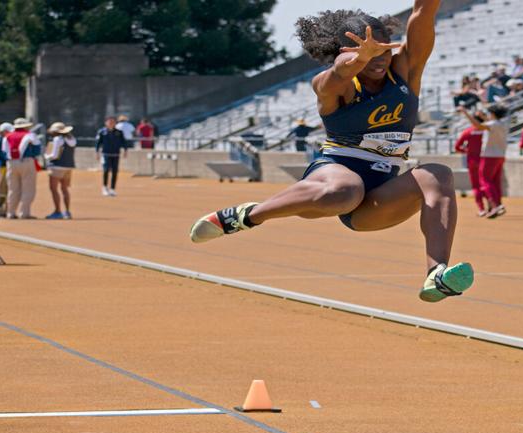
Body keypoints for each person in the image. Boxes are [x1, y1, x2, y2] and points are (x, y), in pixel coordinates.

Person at [190, 3, 473, 304]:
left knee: (438, 174)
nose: (378, 60)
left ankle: (437, 274)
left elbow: (423, 13)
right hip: (337, 170)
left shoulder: (404, 71)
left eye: (383, 51)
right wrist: (356, 59)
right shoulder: (331, 84)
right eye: (367, 53)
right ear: (343, 53)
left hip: (379, 195)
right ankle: (248, 215)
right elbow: (338, 73)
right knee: (345, 190)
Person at [461, 103, 508, 218]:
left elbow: (478, 125)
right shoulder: (503, 123)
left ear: (492, 114)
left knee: (485, 180)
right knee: (495, 181)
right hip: (500, 155)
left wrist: (465, 112)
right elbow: (489, 123)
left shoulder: (492, 124)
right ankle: (499, 204)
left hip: (489, 156)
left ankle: (495, 205)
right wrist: (482, 116)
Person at [3, 118, 39, 218]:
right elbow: (37, 150)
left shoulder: (7, 136)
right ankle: (24, 213)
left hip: (11, 163)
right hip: (26, 161)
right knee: (28, 188)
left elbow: (4, 151)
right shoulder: (30, 135)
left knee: (13, 189)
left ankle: (10, 212)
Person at [43, 123, 76, 219]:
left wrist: (46, 156)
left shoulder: (58, 139)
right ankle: (67, 211)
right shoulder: (72, 139)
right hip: (68, 166)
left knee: (53, 189)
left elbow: (53, 155)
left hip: (57, 166)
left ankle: (58, 211)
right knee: (65, 189)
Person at [454, 117, 485, 215]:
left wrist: (467, 151)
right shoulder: (486, 130)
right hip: (485, 159)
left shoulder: (468, 131)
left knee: (476, 186)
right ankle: (492, 206)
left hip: (472, 160)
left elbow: (457, 147)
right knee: (486, 184)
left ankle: (481, 209)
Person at [95, 117, 125, 196]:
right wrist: (97, 153)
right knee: (106, 170)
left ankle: (112, 188)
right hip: (105, 154)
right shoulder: (102, 132)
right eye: (110, 122)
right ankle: (104, 187)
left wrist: (126, 150)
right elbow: (98, 143)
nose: (111, 123)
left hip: (116, 154)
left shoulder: (119, 132)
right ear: (106, 123)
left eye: (113, 122)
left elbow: (124, 142)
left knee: (115, 171)